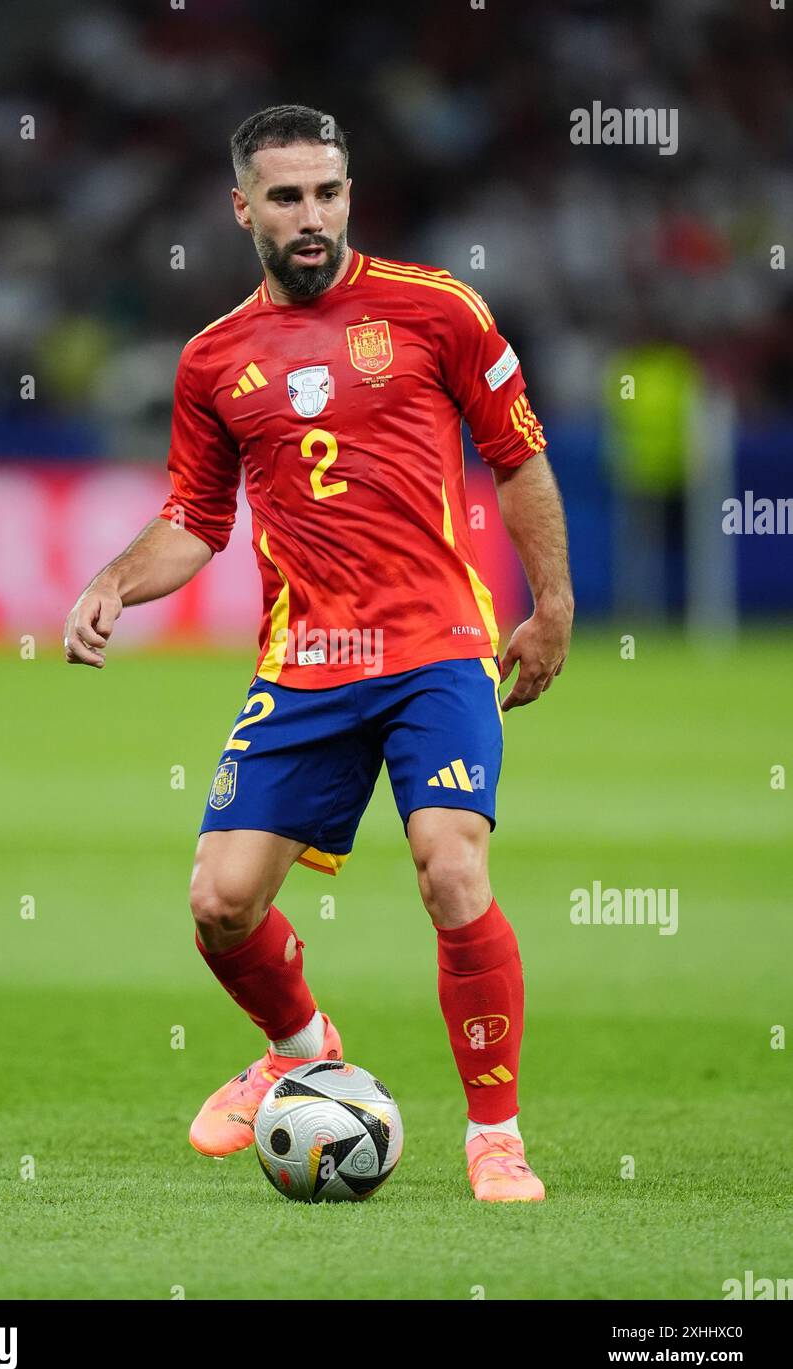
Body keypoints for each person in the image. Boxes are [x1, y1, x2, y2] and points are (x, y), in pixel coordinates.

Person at [63, 105, 574, 1202]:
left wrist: (555, 605)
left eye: (329, 192)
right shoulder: (211, 359)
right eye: (287, 197)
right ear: (242, 206)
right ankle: (299, 1047)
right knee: (220, 903)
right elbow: (195, 522)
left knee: (451, 865)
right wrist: (113, 581)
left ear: (350, 193)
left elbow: (518, 458)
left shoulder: (438, 310)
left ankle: (495, 1134)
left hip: (436, 646)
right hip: (303, 664)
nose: (312, 216)